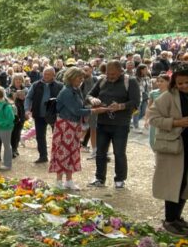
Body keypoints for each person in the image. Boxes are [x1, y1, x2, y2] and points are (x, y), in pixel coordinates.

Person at [48, 67, 109, 191]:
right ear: (71, 78)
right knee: (61, 152)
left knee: (72, 152)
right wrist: (94, 111)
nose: (81, 80)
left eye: (82, 78)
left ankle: (69, 180)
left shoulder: (75, 90)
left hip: (74, 125)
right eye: (79, 78)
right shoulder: (66, 92)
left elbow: (79, 107)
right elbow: (76, 110)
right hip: (65, 125)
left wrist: (92, 106)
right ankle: (59, 181)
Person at [86, 60, 141, 189]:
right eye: (108, 74)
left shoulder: (130, 81)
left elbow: (135, 102)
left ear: (120, 71)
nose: (110, 77)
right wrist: (92, 99)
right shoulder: (102, 81)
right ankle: (99, 178)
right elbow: (88, 95)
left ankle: (120, 179)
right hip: (103, 122)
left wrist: (120, 106)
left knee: (119, 152)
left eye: (113, 74)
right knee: (100, 152)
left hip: (120, 124)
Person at [149, 65, 188, 237]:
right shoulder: (168, 97)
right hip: (173, 147)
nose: (184, 86)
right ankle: (169, 220)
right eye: (180, 83)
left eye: (187, 82)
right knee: (173, 183)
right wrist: (176, 122)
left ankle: (176, 218)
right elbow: (153, 118)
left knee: (185, 184)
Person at [24, 66, 62, 164]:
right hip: (39, 114)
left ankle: (57, 156)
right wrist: (27, 109)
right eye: (45, 74)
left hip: (54, 115)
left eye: (49, 74)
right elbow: (28, 97)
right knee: (40, 136)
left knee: (57, 136)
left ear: (54, 75)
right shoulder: (36, 85)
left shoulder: (60, 86)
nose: (46, 76)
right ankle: (43, 156)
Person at [146, 73, 170, 150]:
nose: (159, 83)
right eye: (158, 81)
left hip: (166, 120)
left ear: (168, 82)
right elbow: (149, 107)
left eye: (161, 81)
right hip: (154, 119)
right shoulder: (153, 93)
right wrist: (147, 119)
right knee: (152, 141)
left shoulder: (172, 93)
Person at [7, 72, 28, 157]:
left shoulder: (25, 89)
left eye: (20, 79)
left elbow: (27, 99)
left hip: (22, 111)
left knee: (18, 130)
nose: (18, 81)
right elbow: (8, 99)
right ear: (13, 80)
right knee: (13, 131)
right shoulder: (9, 89)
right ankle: (11, 149)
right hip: (13, 112)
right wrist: (15, 95)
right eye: (16, 79)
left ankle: (15, 148)